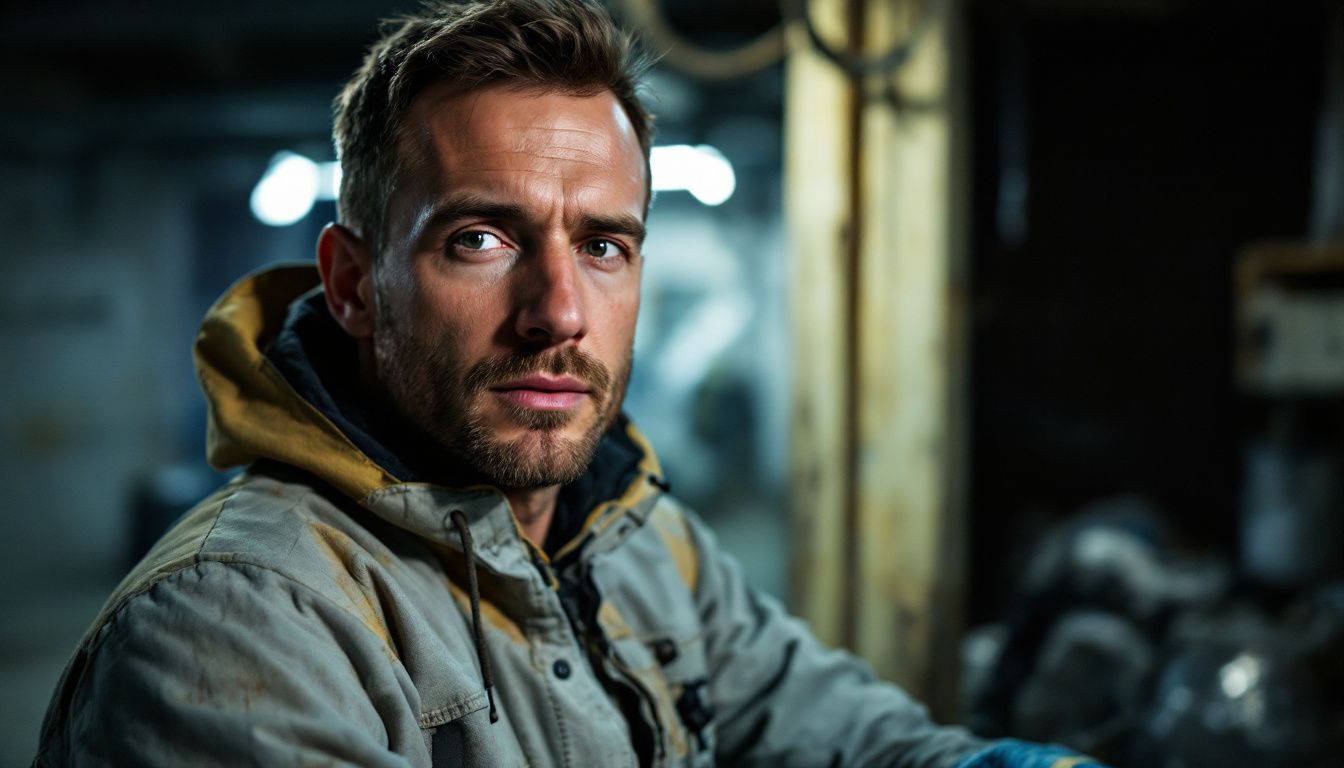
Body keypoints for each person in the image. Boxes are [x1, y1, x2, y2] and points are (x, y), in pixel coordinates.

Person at [34, 2, 1106, 766]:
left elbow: (823, 723)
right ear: (355, 286)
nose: (558, 311)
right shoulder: (234, 627)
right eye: (481, 238)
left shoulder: (634, 529)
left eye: (603, 246)